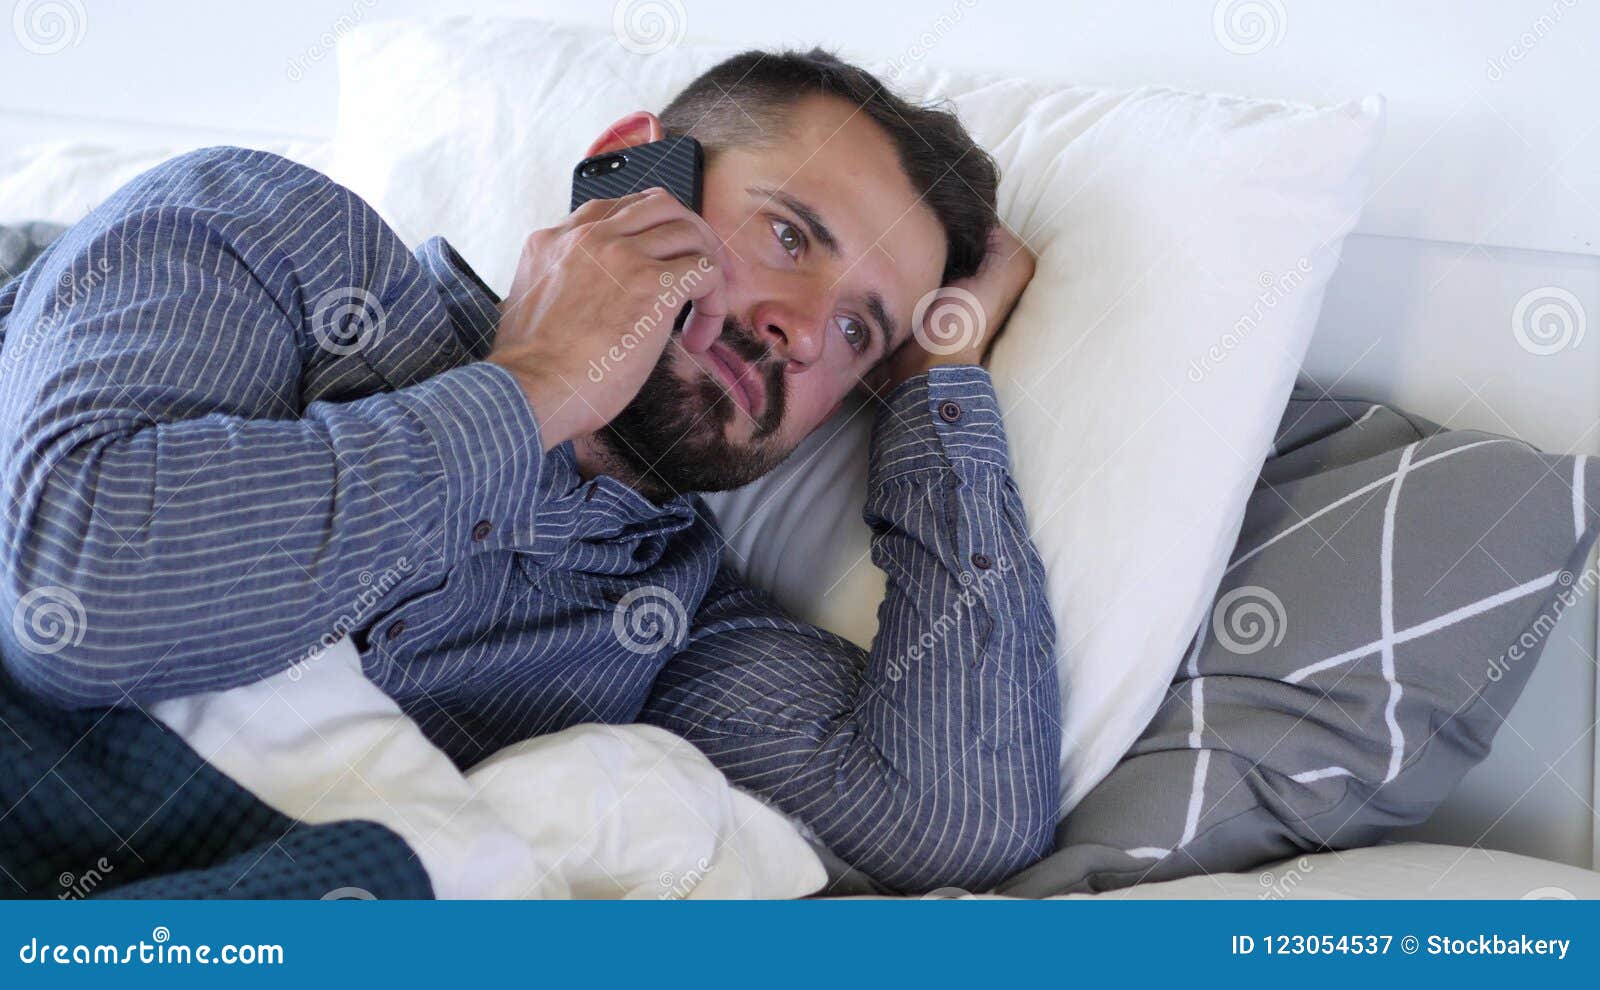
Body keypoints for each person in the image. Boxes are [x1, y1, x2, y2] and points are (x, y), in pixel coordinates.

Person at [0, 49, 1057, 893]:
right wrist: (537, 386)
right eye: (787, 235)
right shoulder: (278, 237)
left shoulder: (664, 624)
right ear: (630, 168)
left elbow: (953, 820)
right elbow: (75, 601)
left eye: (861, 333)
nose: (798, 329)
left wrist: (939, 390)